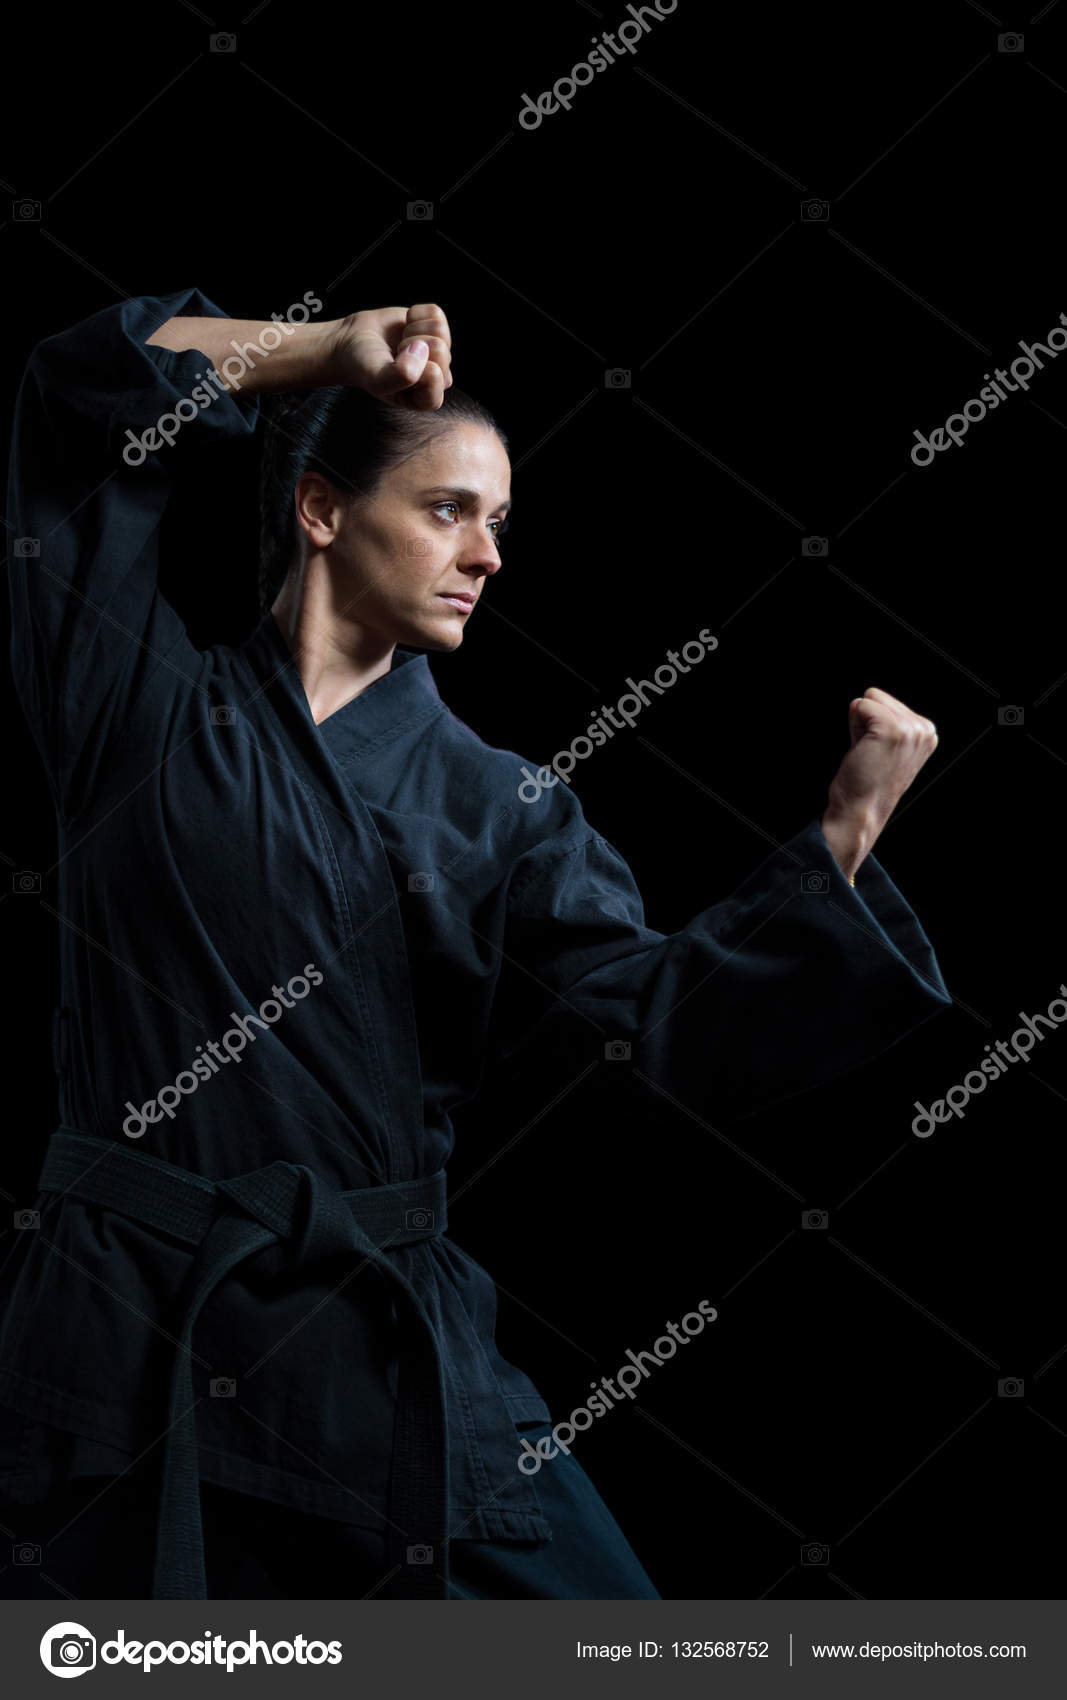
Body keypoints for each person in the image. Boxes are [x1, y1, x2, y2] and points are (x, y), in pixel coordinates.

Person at [0, 288, 949, 1601]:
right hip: (122, 1346)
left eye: (499, 522)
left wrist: (841, 842)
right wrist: (322, 353)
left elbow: (660, 1020)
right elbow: (80, 392)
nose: (490, 553)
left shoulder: (503, 805)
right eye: (451, 510)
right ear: (322, 511)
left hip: (366, 1351)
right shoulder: (133, 700)